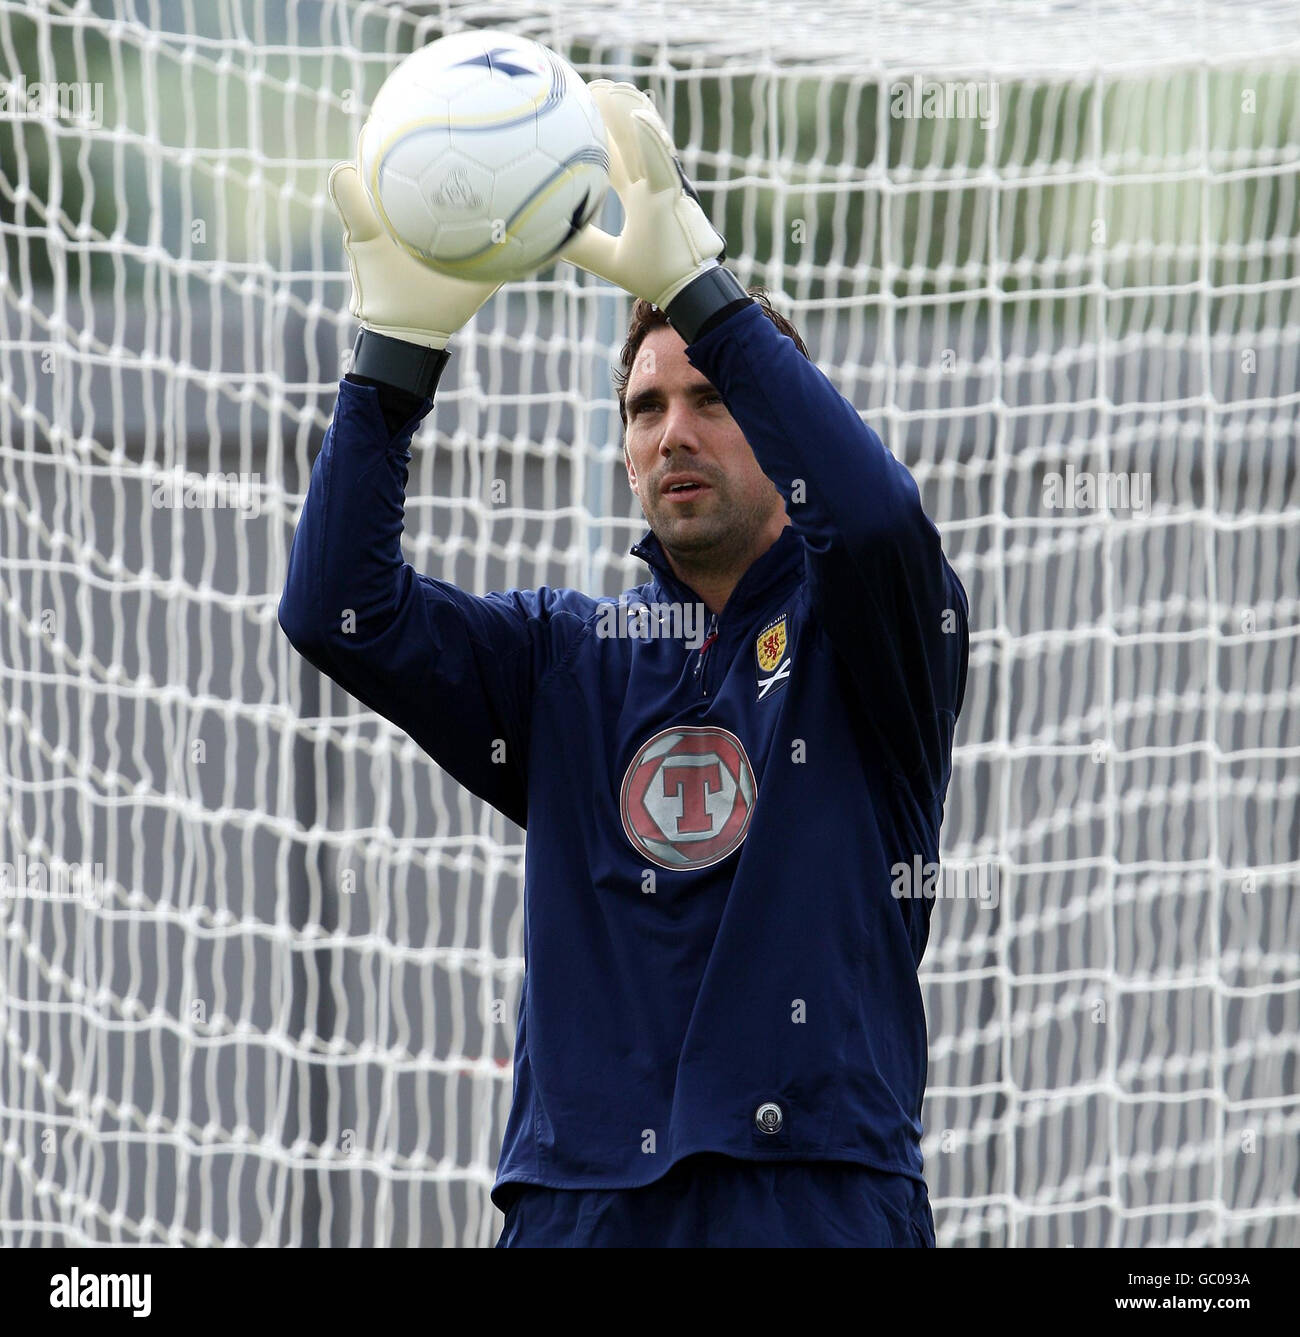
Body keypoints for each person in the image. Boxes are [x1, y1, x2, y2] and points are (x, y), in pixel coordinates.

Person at [280, 81, 969, 1247]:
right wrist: (393, 362)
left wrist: (712, 300)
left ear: (775, 413)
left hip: (813, 1190)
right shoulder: (565, 657)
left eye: (711, 396)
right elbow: (337, 609)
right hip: (578, 1199)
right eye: (644, 407)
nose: (673, 431)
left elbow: (874, 516)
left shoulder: (869, 633)